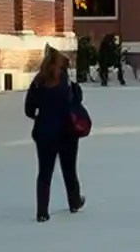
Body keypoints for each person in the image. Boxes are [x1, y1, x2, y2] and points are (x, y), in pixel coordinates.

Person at [24, 47, 86, 223]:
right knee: (69, 169)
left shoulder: (38, 82)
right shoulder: (65, 82)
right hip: (67, 132)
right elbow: (77, 101)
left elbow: (29, 109)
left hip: (44, 133)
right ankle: (74, 201)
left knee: (44, 172)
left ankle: (42, 211)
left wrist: (40, 116)